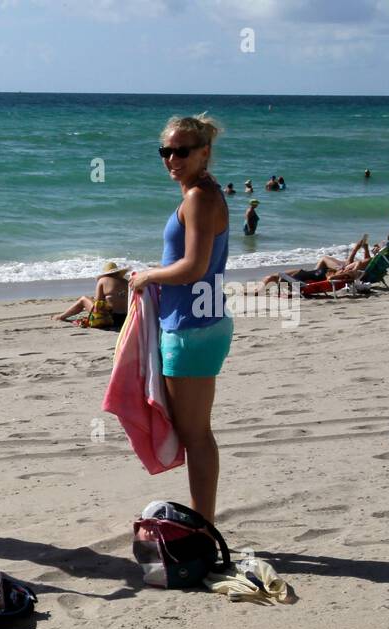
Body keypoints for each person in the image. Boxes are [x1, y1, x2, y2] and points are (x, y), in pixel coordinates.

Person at [131, 114, 231, 522]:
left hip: (193, 326)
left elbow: (193, 267)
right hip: (198, 319)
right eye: (166, 151)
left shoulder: (199, 197)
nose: (172, 158)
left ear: (204, 152)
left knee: (195, 435)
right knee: (195, 431)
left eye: (182, 150)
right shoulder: (198, 192)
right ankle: (203, 521)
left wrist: (147, 276)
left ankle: (204, 526)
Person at [52, 262, 128, 327]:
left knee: (83, 299)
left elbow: (98, 303)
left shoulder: (103, 280)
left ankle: (61, 317)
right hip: (124, 319)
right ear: (118, 272)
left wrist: (92, 300)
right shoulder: (126, 282)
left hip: (108, 319)